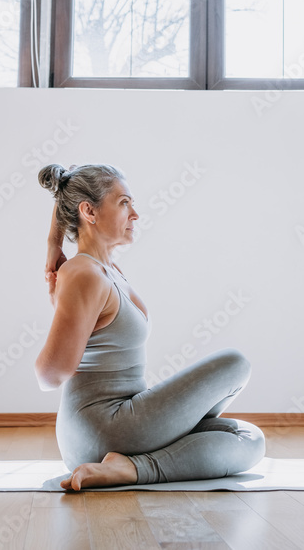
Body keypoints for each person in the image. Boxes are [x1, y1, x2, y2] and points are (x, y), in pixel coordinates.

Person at [34, 162, 265, 490]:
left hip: (118, 424)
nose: (135, 214)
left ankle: (129, 466)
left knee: (249, 439)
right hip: (102, 426)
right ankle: (136, 468)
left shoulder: (103, 269)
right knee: (235, 365)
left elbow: (66, 202)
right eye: (124, 202)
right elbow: (49, 375)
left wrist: (52, 243)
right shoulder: (84, 274)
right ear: (90, 211)